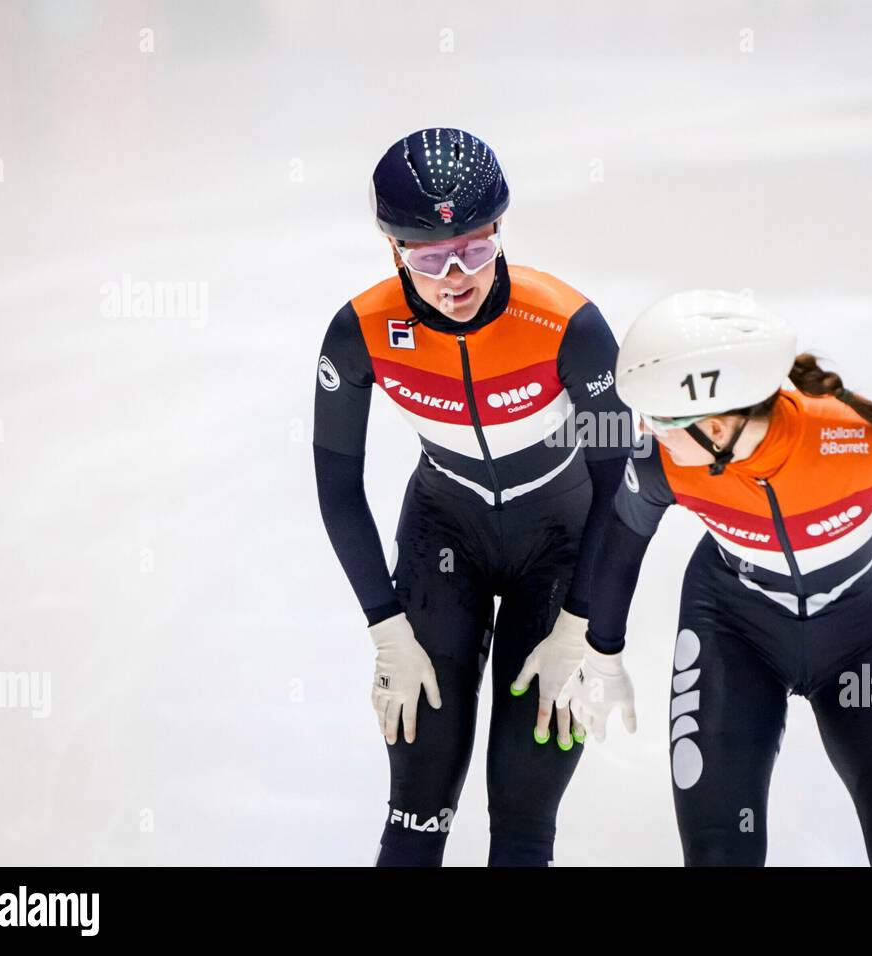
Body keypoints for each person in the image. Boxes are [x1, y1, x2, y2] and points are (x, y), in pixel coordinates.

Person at [559, 290, 872, 866]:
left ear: (715, 427)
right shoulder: (664, 459)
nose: (646, 433)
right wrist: (602, 656)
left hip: (866, 640)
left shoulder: (867, 441)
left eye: (660, 420)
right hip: (734, 635)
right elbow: (624, 540)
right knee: (720, 855)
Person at [313, 128, 632, 866]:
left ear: (499, 233)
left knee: (522, 822)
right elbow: (337, 488)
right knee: (417, 809)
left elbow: (626, 483)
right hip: (442, 542)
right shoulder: (359, 332)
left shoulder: (567, 323)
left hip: (561, 551)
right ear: (393, 250)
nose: (455, 276)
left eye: (476, 249)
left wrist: (585, 628)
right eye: (429, 257)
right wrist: (386, 630)